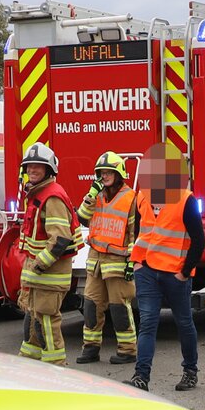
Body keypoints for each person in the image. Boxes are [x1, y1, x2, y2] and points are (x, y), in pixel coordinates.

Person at [128, 149, 203, 392]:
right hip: (147, 271)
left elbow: (199, 241)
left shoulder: (186, 199)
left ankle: (190, 371)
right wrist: (137, 264)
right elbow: (140, 233)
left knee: (184, 322)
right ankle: (141, 377)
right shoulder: (142, 197)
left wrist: (184, 272)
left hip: (175, 275)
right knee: (148, 322)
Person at [14, 143, 77, 365]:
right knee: (34, 319)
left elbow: (60, 239)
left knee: (47, 322)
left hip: (49, 275)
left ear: (49, 170)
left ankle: (55, 366)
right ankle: (30, 362)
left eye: (38, 167)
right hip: (39, 275)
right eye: (29, 166)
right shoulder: (37, 194)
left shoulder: (52, 197)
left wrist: (38, 265)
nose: (32, 169)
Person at [75, 150, 140, 364]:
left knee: (119, 309)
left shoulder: (131, 198)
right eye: (101, 172)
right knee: (91, 307)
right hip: (95, 263)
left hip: (118, 263)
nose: (104, 176)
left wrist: (133, 261)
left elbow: (136, 232)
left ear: (119, 173)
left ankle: (128, 350)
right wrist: (90, 195)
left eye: (108, 171)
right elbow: (82, 219)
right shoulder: (98, 196)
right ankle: (91, 349)